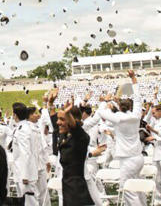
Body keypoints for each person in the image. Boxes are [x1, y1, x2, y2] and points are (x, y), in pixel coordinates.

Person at [89, 70, 143, 206]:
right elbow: (138, 97)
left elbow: (101, 113)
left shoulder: (118, 117)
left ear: (119, 107)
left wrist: (105, 103)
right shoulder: (136, 115)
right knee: (138, 187)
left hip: (128, 159)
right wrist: (133, 79)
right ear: (130, 106)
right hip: (138, 157)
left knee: (128, 190)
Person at [58, 103, 101, 206]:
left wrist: (67, 113)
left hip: (77, 189)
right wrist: (50, 104)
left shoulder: (81, 137)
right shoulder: (65, 136)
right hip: (68, 187)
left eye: (62, 119)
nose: (58, 122)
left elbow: (76, 128)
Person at [11, 102, 40, 205]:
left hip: (25, 174)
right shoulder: (22, 127)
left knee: (30, 202)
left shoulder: (23, 129)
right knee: (24, 201)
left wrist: (25, 175)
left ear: (15, 115)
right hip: (21, 172)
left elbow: (26, 153)